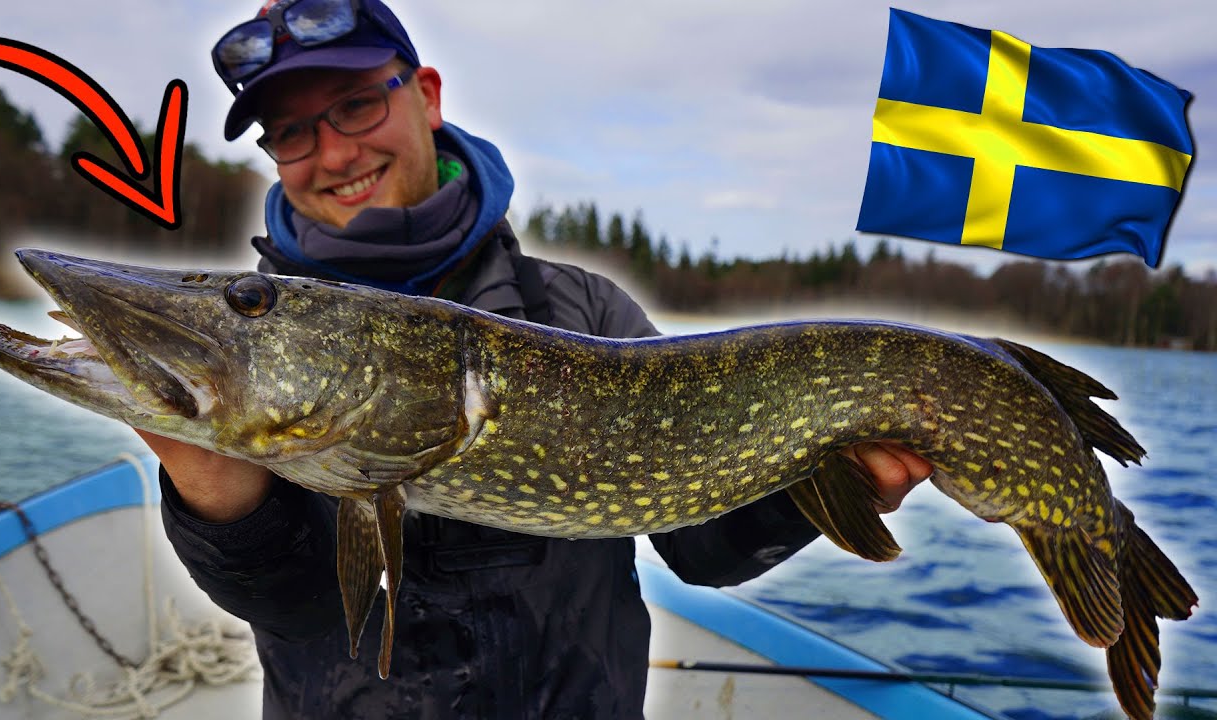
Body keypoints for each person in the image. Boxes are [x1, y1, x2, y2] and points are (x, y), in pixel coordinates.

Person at [140, 1, 934, 717]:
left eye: (355, 104)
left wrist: (820, 484)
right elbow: (293, 604)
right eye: (291, 132)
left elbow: (704, 546)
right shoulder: (256, 346)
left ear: (426, 95)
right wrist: (221, 503)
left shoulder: (583, 313)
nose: (335, 152)